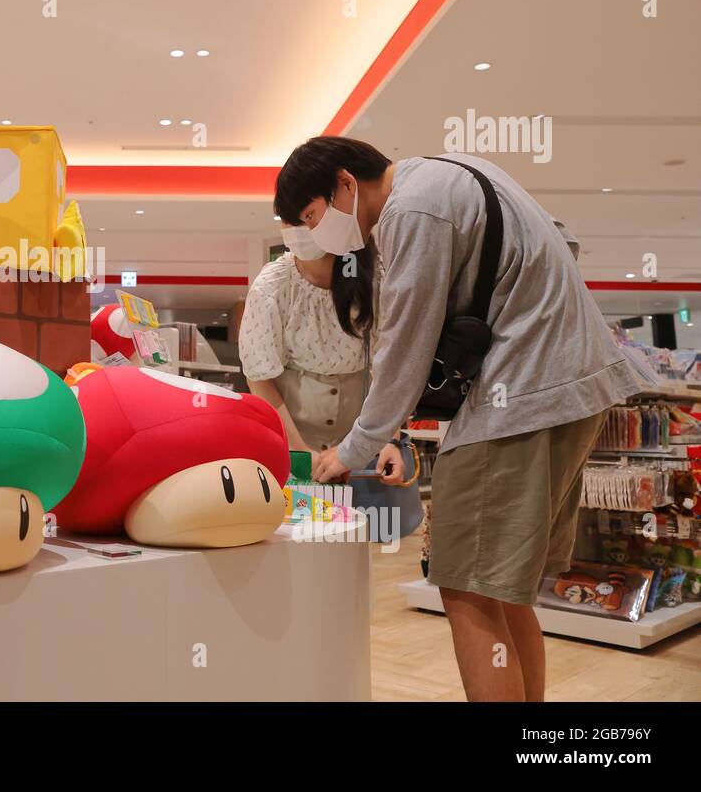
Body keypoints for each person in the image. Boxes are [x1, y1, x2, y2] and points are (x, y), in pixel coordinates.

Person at [273, 136, 639, 702]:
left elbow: (405, 348)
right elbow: (563, 239)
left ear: (345, 183)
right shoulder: (454, 169)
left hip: (520, 400)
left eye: (312, 218)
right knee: (501, 590)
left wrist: (350, 450)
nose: (316, 235)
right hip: (572, 388)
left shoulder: (410, 211)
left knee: (464, 586)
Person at [239, 223, 421, 537]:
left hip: (364, 438)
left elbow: (392, 370)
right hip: (291, 436)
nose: (296, 229)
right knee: (294, 545)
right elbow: (260, 376)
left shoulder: (375, 277)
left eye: (308, 216)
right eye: (288, 218)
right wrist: (300, 452)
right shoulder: (273, 284)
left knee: (360, 546)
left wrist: (388, 438)